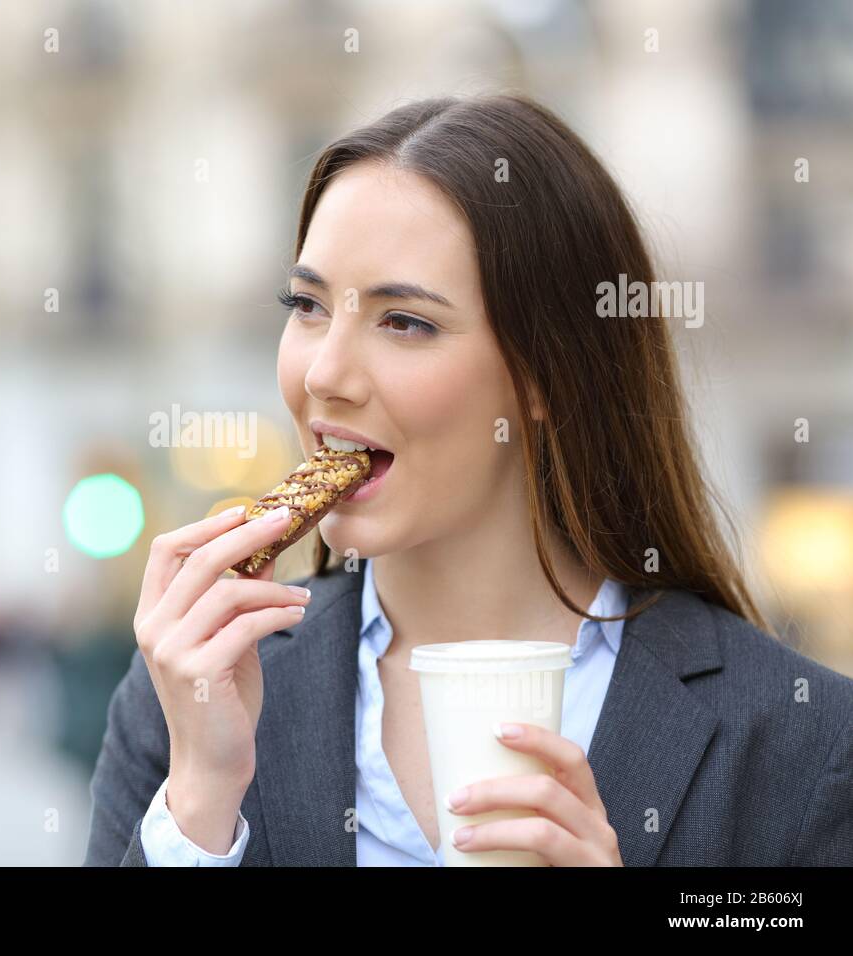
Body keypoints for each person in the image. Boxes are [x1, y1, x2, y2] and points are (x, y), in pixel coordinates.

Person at [83, 93, 853, 866]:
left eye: (404, 322)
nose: (324, 373)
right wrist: (202, 807)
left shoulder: (802, 738)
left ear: (549, 372)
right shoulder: (189, 699)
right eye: (308, 305)